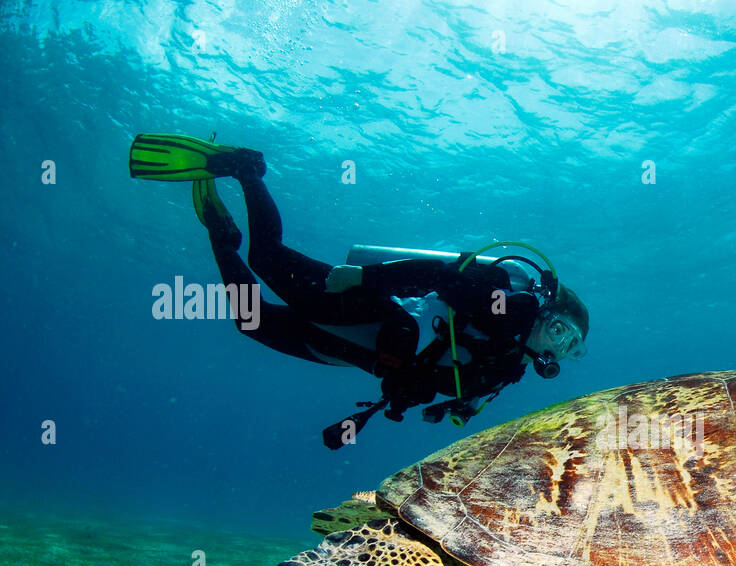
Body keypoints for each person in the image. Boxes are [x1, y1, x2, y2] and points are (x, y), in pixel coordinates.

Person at [129, 133, 589, 448]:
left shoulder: (511, 367)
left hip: (363, 353)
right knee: (266, 259)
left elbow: (451, 384)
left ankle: (220, 234)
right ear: (549, 313)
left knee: (250, 321)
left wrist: (442, 406)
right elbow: (437, 277)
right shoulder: (510, 311)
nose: (560, 345)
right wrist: (365, 278)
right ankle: (248, 170)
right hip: (373, 314)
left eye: (570, 347)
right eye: (562, 331)